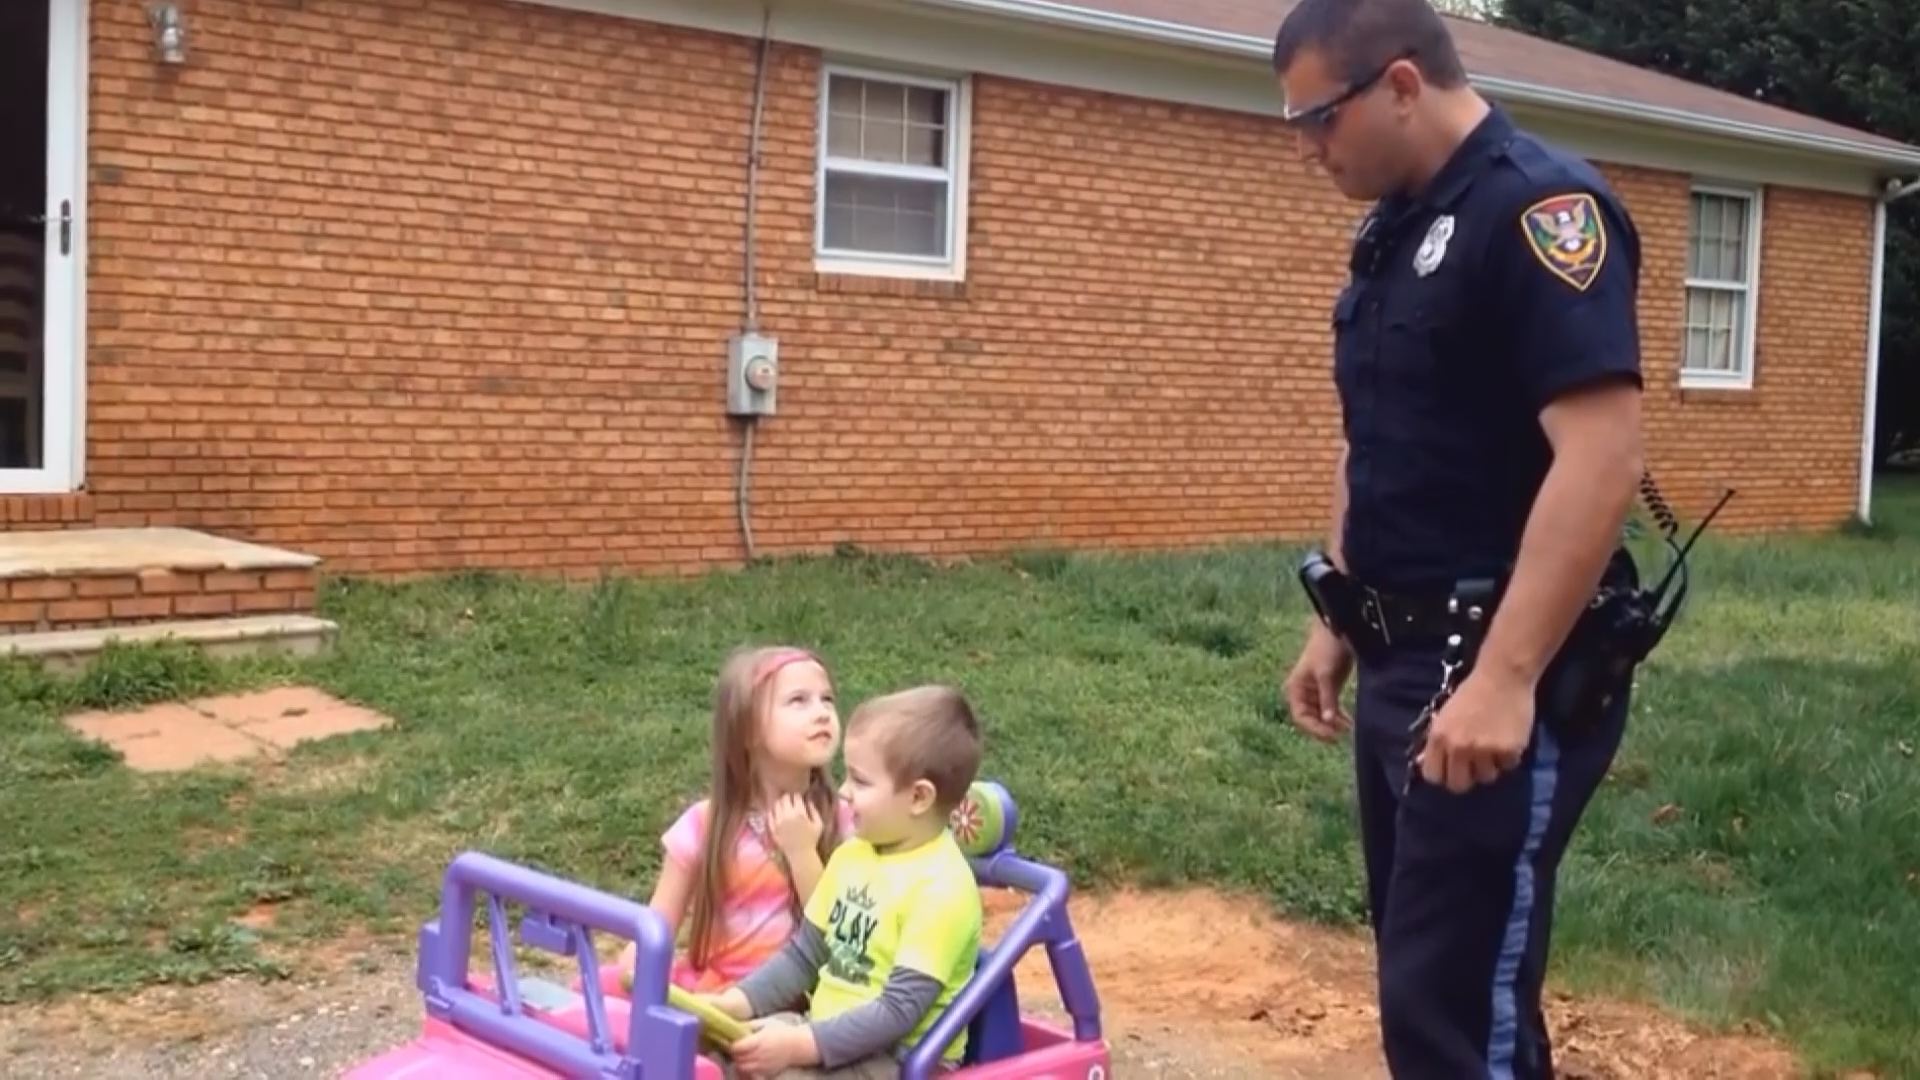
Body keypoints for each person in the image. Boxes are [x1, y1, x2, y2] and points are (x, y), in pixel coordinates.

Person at [1271, 1, 1647, 1077]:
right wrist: (1339, 617)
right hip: (1403, 655)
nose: (1308, 148)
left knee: (1448, 1012)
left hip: (1496, 666)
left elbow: (1602, 457)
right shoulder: (1395, 229)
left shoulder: (1538, 208)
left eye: (1320, 120)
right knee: (1442, 981)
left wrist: (1505, 678)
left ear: (1399, 84)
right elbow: (1383, 436)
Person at [698, 684, 986, 1079]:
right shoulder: (854, 855)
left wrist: (799, 1046)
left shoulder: (942, 888)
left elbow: (898, 1012)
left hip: (899, 1058)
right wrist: (735, 1003)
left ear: (918, 798)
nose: (844, 793)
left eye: (860, 781)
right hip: (830, 1036)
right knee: (722, 1053)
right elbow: (804, 957)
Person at [614, 645, 854, 996]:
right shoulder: (703, 824)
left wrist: (802, 852)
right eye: (799, 701)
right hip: (717, 992)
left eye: (827, 699)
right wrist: (635, 968)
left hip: (800, 1003)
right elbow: (657, 927)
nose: (821, 713)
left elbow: (843, 936)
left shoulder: (847, 821)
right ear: (747, 730)